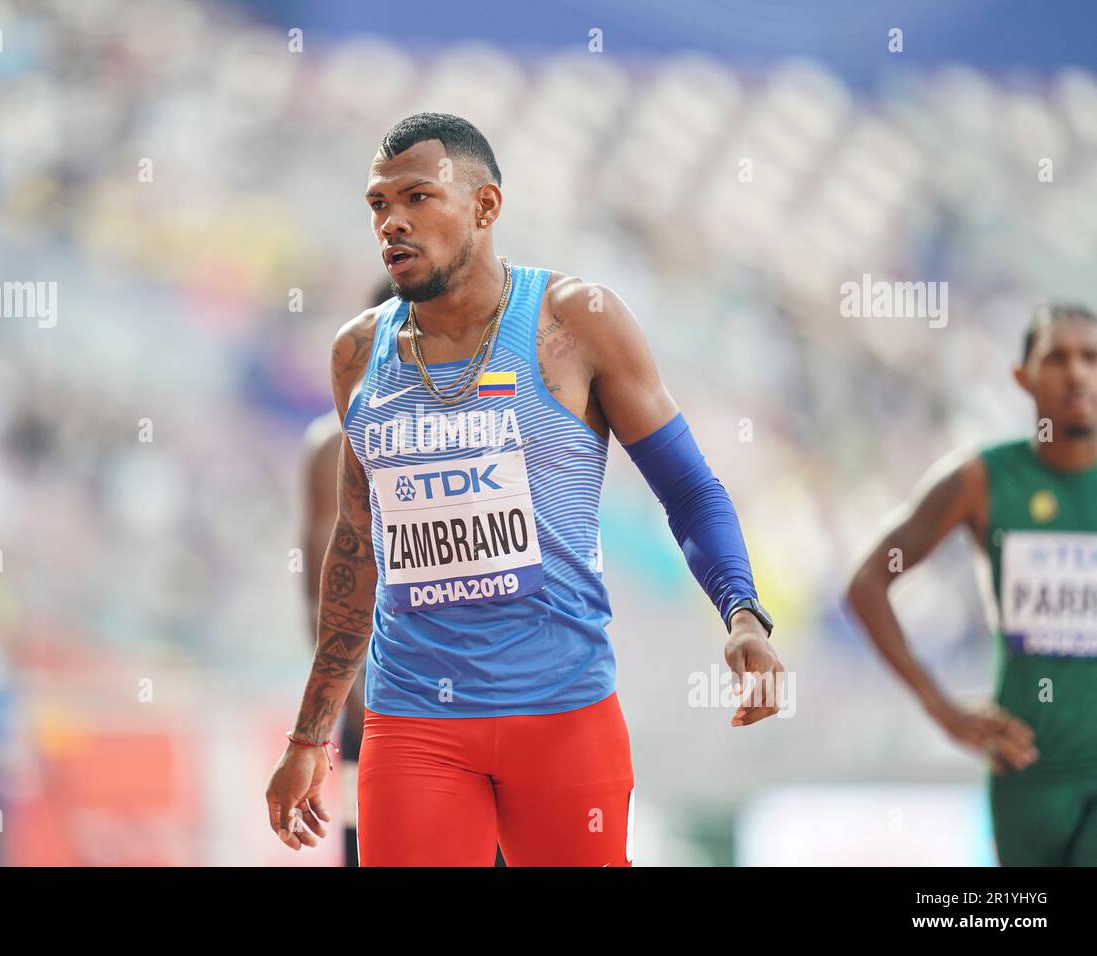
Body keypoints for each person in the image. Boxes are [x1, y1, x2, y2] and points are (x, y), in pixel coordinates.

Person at [266, 112, 780, 866]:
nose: (392, 223)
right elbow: (356, 545)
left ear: (485, 206)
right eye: (379, 205)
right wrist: (310, 733)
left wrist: (743, 614)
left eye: (417, 198)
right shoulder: (357, 353)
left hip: (563, 709)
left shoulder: (575, 324)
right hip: (413, 720)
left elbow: (691, 491)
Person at [847, 303, 1097, 866]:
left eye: (1091, 358)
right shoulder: (982, 481)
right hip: (1024, 772)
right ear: (1021, 376)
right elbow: (866, 585)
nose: (1077, 373)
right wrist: (943, 709)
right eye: (1057, 357)